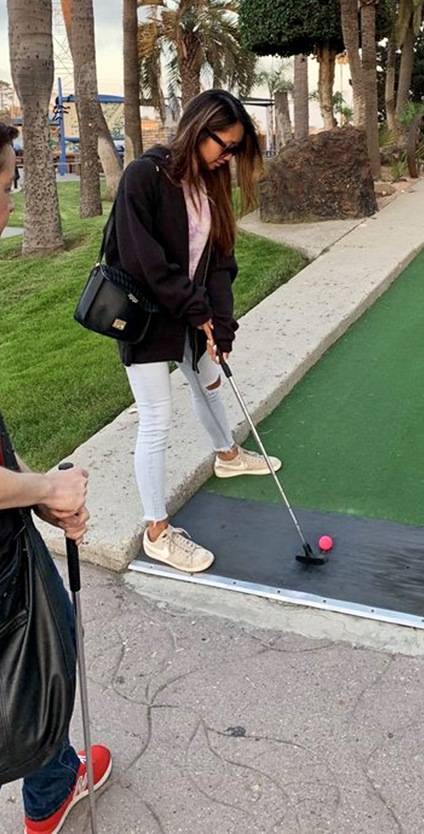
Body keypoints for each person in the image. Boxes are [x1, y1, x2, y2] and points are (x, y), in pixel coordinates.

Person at [0, 103, 112, 834]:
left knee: (42, 654)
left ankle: (54, 787)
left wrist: (33, 495)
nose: (13, 197)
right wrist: (47, 488)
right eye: (8, 183)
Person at [107, 89, 281, 573]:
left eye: (233, 150)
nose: (227, 157)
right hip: (145, 316)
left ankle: (227, 454)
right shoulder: (144, 176)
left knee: (210, 380)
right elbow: (143, 259)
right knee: (156, 419)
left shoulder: (213, 181)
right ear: (197, 129)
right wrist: (193, 305)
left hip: (193, 312)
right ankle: (157, 531)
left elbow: (221, 260)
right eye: (223, 145)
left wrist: (220, 325)